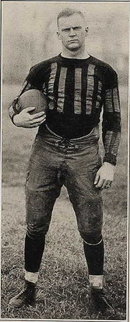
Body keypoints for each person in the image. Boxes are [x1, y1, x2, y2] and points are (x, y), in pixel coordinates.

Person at [8, 8, 121, 315]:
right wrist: (16, 118)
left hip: (85, 152)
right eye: (66, 29)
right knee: (36, 222)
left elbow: (112, 119)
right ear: (58, 34)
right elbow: (16, 104)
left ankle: (97, 291)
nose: (72, 33)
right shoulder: (41, 69)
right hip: (46, 149)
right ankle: (29, 287)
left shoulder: (105, 72)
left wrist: (109, 161)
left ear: (87, 31)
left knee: (90, 226)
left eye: (77, 28)